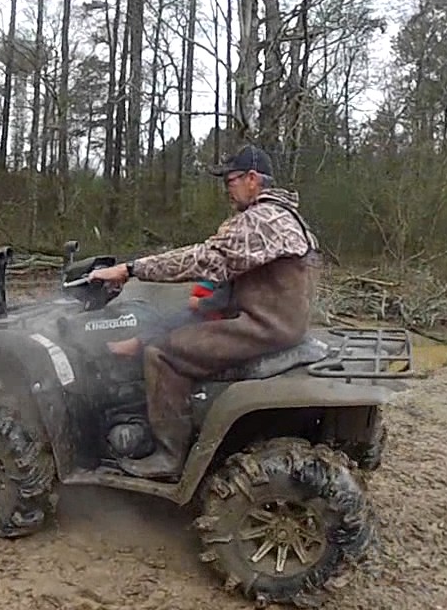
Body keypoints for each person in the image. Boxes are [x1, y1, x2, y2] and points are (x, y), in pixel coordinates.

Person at [88, 144, 319, 479]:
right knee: (181, 325)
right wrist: (202, 306)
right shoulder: (285, 216)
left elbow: (201, 258)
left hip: (261, 328)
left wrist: (130, 269)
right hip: (279, 324)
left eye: (231, 181)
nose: (228, 189)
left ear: (252, 179)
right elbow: (243, 277)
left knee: (161, 354)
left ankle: (168, 456)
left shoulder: (258, 221)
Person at [106, 279, 232, 357]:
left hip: (217, 317)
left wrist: (199, 303)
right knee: (172, 316)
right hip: (214, 312)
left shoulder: (235, 264)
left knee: (180, 319)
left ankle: (137, 344)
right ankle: (140, 343)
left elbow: (221, 301)